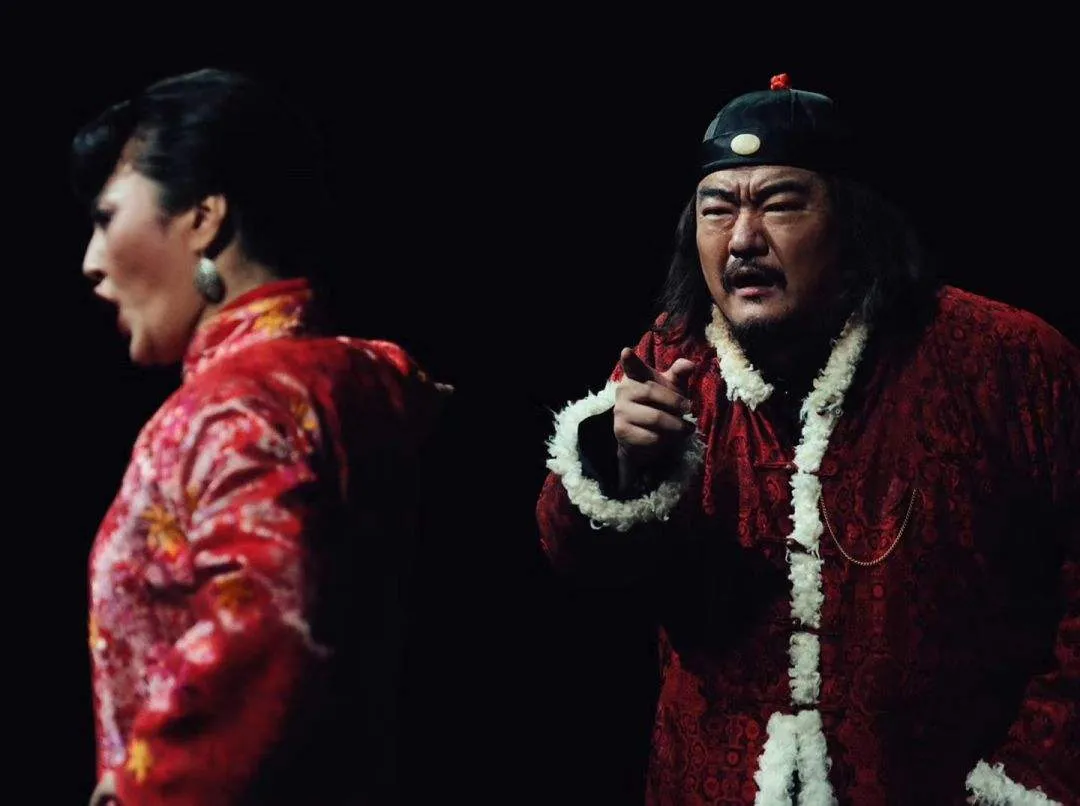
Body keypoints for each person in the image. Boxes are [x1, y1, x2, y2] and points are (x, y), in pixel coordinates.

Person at [535, 73, 1078, 804]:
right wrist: (618, 463)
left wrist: (1030, 779)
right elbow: (575, 560)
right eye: (717, 209)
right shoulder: (670, 362)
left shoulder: (1004, 361)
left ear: (853, 222)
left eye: (781, 204)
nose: (743, 239)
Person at [75, 68, 449, 806]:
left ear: (203, 218)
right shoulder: (356, 386)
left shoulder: (235, 407)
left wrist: (139, 793)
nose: (91, 262)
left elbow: (266, 629)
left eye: (107, 217)